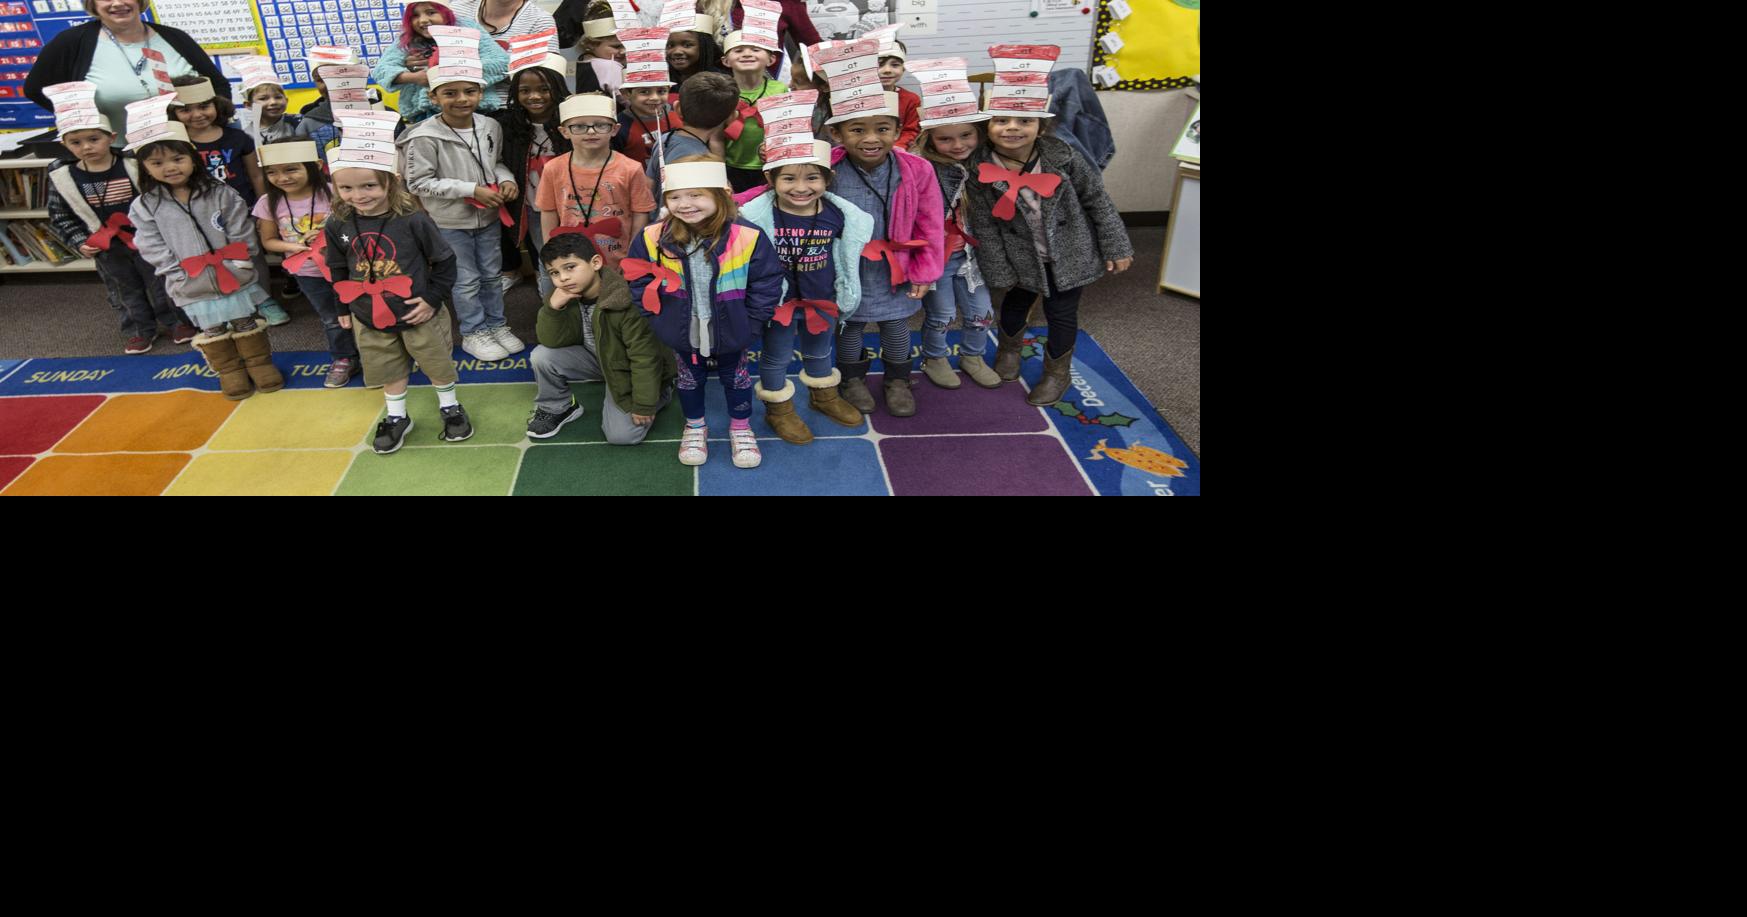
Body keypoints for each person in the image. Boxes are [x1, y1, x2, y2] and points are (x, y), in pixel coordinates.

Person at [963, 45, 1135, 406]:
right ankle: (1009, 350)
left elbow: (1097, 200)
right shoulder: (980, 169)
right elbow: (985, 226)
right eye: (1001, 120)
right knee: (1014, 302)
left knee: (1061, 312)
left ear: (1041, 127)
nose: (1012, 128)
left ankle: (1057, 372)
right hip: (1020, 255)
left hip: (1068, 252)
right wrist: (998, 269)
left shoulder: (1064, 156)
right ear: (987, 126)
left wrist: (1117, 246)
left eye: (1024, 121)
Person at [623, 157, 783, 469]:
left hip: (732, 324)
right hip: (683, 326)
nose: (684, 204)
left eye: (696, 194)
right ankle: (695, 425)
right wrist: (655, 315)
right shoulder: (652, 236)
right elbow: (637, 275)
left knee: (736, 378)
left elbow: (767, 280)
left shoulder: (748, 236)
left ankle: (740, 427)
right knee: (689, 379)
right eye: (675, 196)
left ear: (721, 193)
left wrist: (752, 321)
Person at [323, 129, 473, 454]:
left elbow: (445, 262)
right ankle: (396, 417)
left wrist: (433, 300)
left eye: (368, 185)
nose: (358, 195)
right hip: (368, 314)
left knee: (436, 363)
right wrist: (342, 307)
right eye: (346, 187)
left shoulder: (413, 220)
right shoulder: (336, 224)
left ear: (390, 181)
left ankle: (450, 407)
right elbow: (337, 268)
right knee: (386, 366)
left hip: (417, 311)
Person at [129, 122, 285, 401]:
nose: (170, 167)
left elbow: (241, 225)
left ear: (193, 158)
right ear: (145, 167)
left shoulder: (219, 192)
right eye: (157, 162)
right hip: (190, 280)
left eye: (178, 159)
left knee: (245, 320)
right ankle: (229, 370)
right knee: (211, 327)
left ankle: (260, 363)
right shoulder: (145, 205)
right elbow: (149, 242)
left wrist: (243, 260)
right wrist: (175, 272)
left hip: (233, 272)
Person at [738, 134, 872, 444]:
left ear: (828, 178)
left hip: (822, 302)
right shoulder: (757, 217)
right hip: (779, 304)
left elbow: (845, 258)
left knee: (821, 351)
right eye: (788, 178)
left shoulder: (837, 216)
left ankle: (823, 396)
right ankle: (779, 409)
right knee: (776, 357)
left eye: (812, 177)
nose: (801, 187)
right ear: (770, 178)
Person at [396, 46, 525, 363]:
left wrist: (506, 180)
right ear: (433, 97)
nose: (461, 99)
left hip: (489, 218)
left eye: (469, 91)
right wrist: (471, 189)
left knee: (492, 275)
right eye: (450, 93)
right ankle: (474, 331)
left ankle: (497, 324)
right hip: (450, 223)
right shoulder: (423, 136)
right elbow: (418, 182)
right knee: (466, 280)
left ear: (481, 92)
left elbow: (494, 164)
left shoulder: (488, 126)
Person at [43, 95, 193, 354]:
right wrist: (79, 242)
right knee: (123, 290)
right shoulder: (63, 177)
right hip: (106, 247)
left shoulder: (134, 165)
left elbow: (159, 199)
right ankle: (138, 330)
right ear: (64, 144)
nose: (86, 147)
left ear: (112, 138)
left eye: (94, 139)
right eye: (76, 142)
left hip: (147, 239)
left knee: (163, 282)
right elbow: (60, 216)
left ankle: (176, 321)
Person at [526, 232, 677, 444]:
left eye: (570, 267)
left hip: (629, 368)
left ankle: (662, 391)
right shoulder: (564, 295)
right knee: (541, 356)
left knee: (622, 436)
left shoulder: (625, 299)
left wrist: (644, 404)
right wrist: (551, 309)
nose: (563, 278)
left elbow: (645, 357)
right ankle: (558, 407)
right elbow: (552, 341)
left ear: (595, 262)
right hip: (600, 360)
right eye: (554, 272)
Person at [24, 0, 230, 146]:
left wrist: (213, 129)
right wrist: (80, 122)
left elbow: (218, 85)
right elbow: (35, 89)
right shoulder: (72, 41)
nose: (117, 3)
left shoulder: (174, 37)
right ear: (93, 4)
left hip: (189, 149)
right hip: (119, 155)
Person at [254, 140, 359, 389]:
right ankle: (344, 358)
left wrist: (331, 238)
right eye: (272, 171)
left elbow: (358, 225)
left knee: (365, 310)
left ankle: (380, 354)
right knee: (331, 318)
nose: (282, 177)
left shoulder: (336, 191)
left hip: (350, 267)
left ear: (316, 165)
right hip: (307, 271)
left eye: (291, 169)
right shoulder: (268, 202)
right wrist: (294, 247)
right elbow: (268, 241)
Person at [371, 1, 511, 124]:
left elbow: (500, 61)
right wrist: (414, 77)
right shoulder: (408, 39)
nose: (423, 20)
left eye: (431, 12)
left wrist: (452, 72)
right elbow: (382, 69)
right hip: (425, 115)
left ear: (446, 13)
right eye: (415, 15)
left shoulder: (467, 29)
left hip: (474, 111)